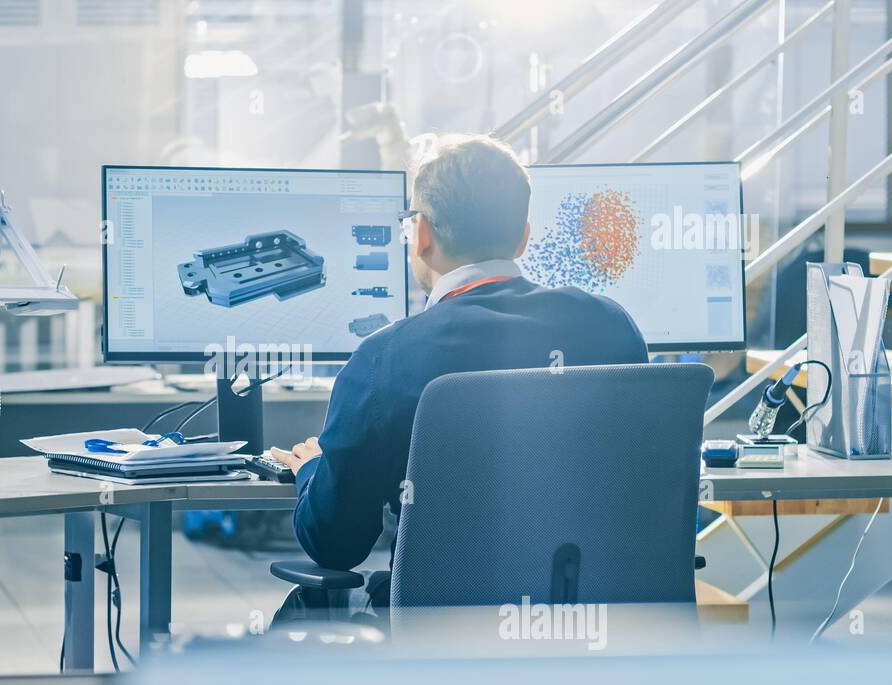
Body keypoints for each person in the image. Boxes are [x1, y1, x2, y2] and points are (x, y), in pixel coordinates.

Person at [269, 134, 650, 625]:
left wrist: (311, 472)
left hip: (439, 637)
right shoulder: (612, 329)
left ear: (422, 234)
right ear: (523, 236)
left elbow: (336, 544)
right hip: (602, 629)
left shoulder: (383, 358)